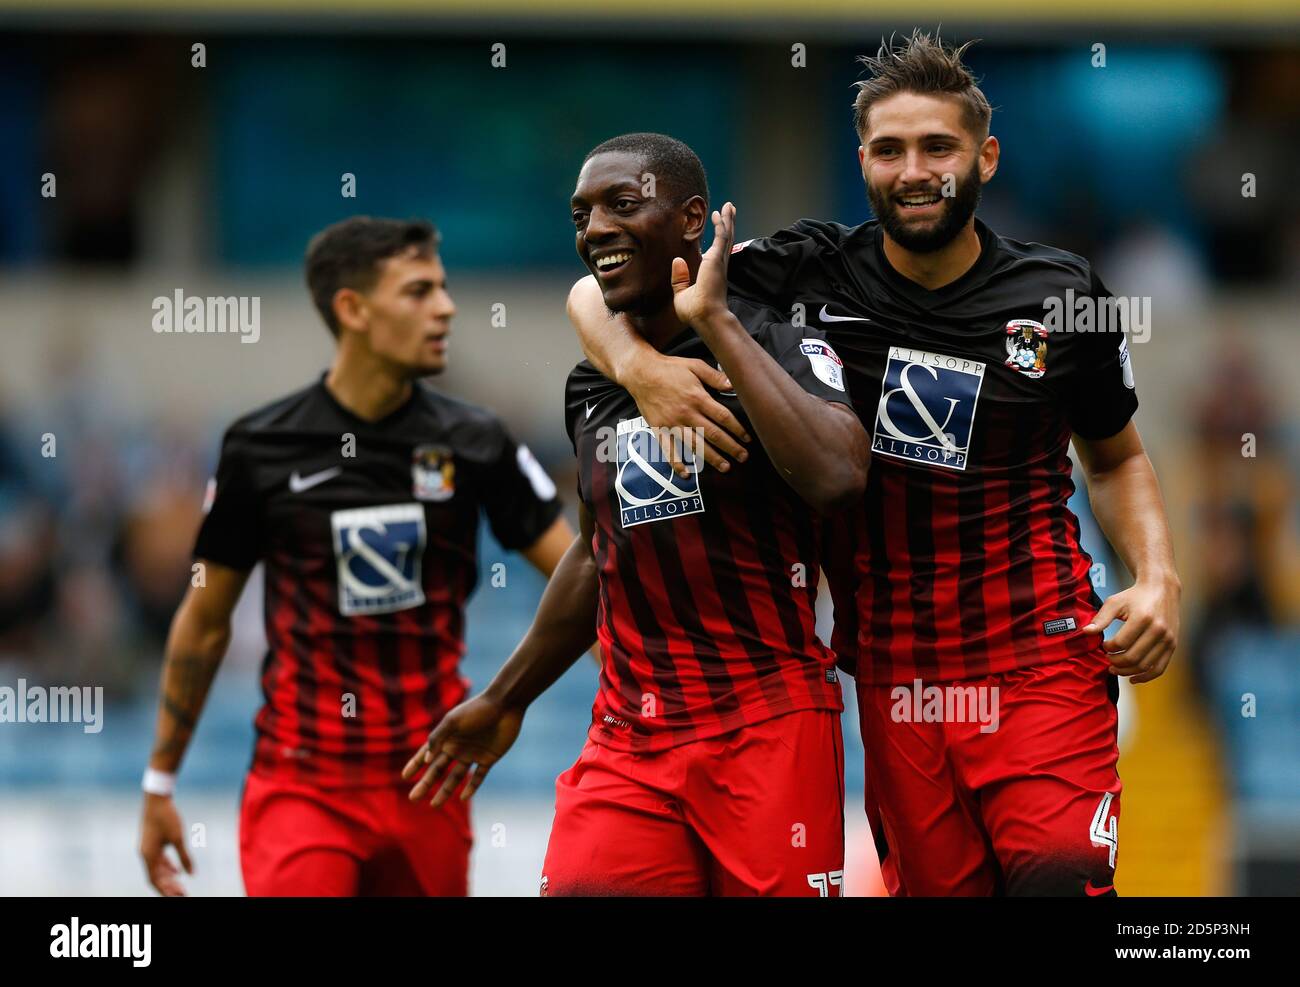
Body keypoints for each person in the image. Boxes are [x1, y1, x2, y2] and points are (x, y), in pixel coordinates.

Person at [566, 34, 1181, 896]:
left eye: (939, 147)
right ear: (862, 162)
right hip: (896, 679)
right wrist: (639, 370)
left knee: (1061, 876)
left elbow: (1115, 458)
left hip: (1039, 658)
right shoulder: (808, 268)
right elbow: (602, 285)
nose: (914, 169)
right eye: (889, 150)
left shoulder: (1062, 295)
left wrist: (1155, 576)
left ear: (986, 158)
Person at [406, 134, 870, 896]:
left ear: (692, 218)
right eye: (582, 215)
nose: (596, 229)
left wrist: (718, 333)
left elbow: (839, 477)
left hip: (766, 723)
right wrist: (505, 695)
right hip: (630, 735)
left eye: (624, 205)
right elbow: (597, 553)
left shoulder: (770, 335)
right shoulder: (593, 388)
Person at [139, 216, 571, 897]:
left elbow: (585, 581)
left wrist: (528, 699)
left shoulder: (477, 441)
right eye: (419, 291)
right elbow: (205, 618)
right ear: (353, 309)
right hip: (302, 781)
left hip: (430, 779)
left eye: (445, 289)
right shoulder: (260, 448)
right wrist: (160, 779)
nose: (446, 308)